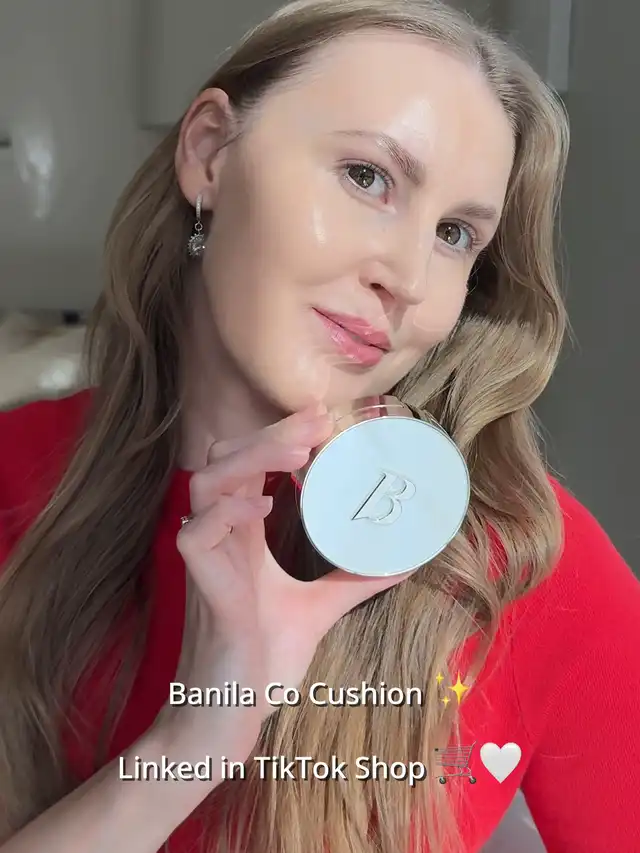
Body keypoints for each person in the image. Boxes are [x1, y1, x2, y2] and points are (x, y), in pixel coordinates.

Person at [0, 0, 638, 851]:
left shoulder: (525, 563)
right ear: (210, 154)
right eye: (367, 177)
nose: (408, 277)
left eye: (455, 234)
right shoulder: (15, 476)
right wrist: (195, 740)